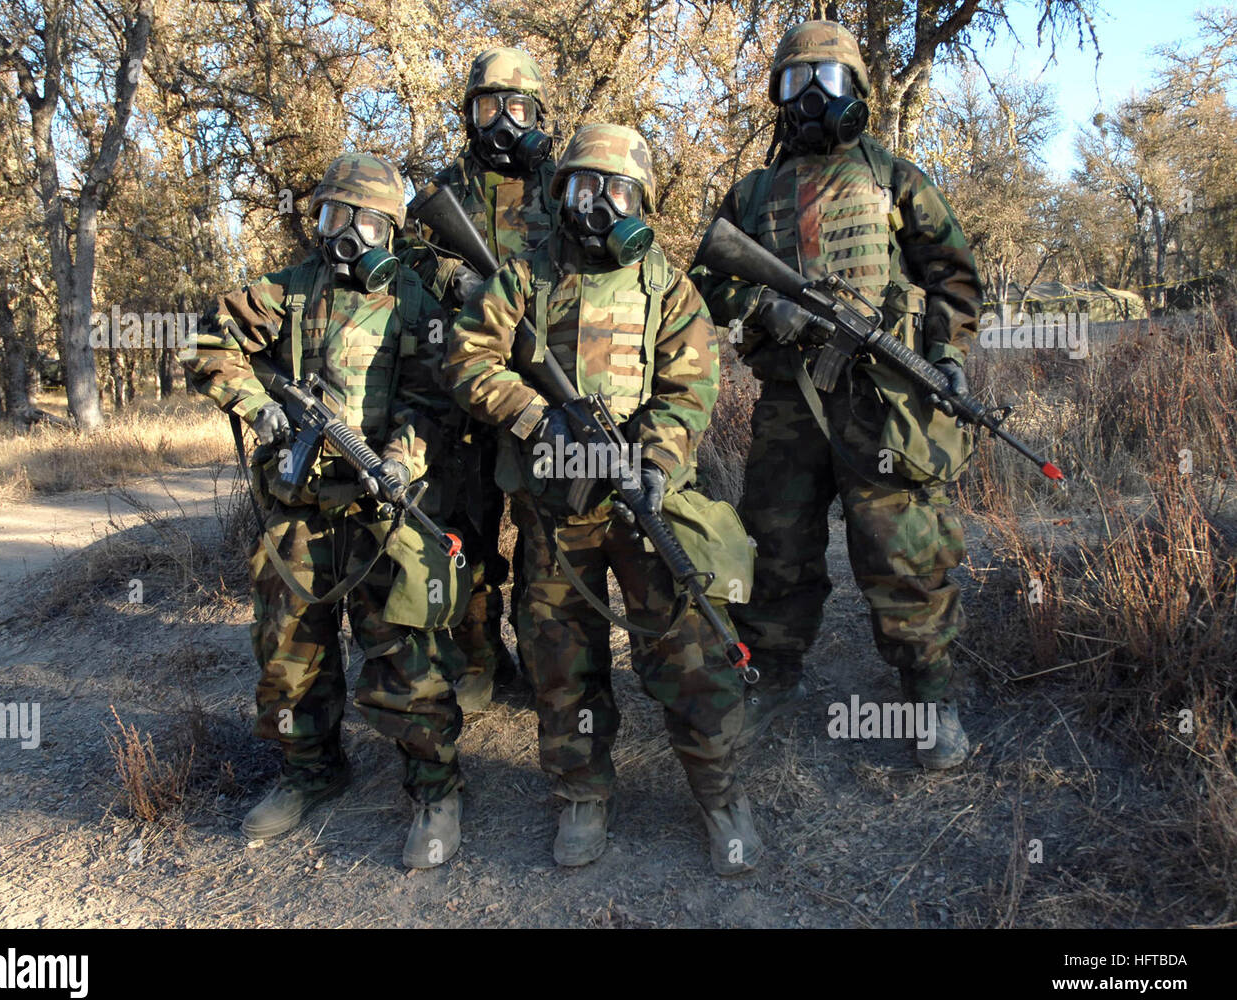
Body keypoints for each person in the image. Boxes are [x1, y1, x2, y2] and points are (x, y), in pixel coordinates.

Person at [446, 124, 762, 875]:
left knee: (688, 655)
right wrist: (534, 415)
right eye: (582, 188)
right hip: (553, 510)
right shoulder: (523, 277)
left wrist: (653, 459)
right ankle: (582, 794)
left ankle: (720, 795)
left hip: (640, 503)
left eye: (614, 190)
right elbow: (467, 359)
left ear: (640, 200)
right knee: (561, 659)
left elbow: (691, 389)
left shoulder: (667, 285)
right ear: (561, 196)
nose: (596, 205)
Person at [691, 20, 983, 766]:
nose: (813, 96)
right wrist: (763, 308)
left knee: (903, 549)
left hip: (885, 400)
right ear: (777, 96)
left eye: (829, 80)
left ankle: (929, 692)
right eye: (796, 82)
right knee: (775, 545)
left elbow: (951, 274)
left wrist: (946, 354)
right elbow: (705, 281)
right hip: (789, 400)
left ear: (857, 89)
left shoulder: (895, 178)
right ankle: (773, 675)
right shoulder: (754, 193)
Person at [180, 153, 470, 867]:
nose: (344, 231)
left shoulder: (412, 301)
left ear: (391, 230)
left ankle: (434, 787)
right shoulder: (284, 290)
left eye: (364, 220)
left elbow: (434, 400)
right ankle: (308, 772)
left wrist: (399, 461)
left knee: (408, 654)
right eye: (333, 215)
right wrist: (260, 412)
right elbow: (209, 343)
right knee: (289, 655)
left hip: (381, 510)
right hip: (298, 511)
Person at [399, 47, 559, 712]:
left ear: (538, 113)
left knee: (542, 527)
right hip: (458, 382)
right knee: (466, 522)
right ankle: (478, 657)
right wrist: (454, 279)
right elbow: (407, 252)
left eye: (516, 107)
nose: (502, 122)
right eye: (488, 107)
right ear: (470, 115)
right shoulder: (445, 188)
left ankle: (547, 657)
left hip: (539, 381)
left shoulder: (564, 181)